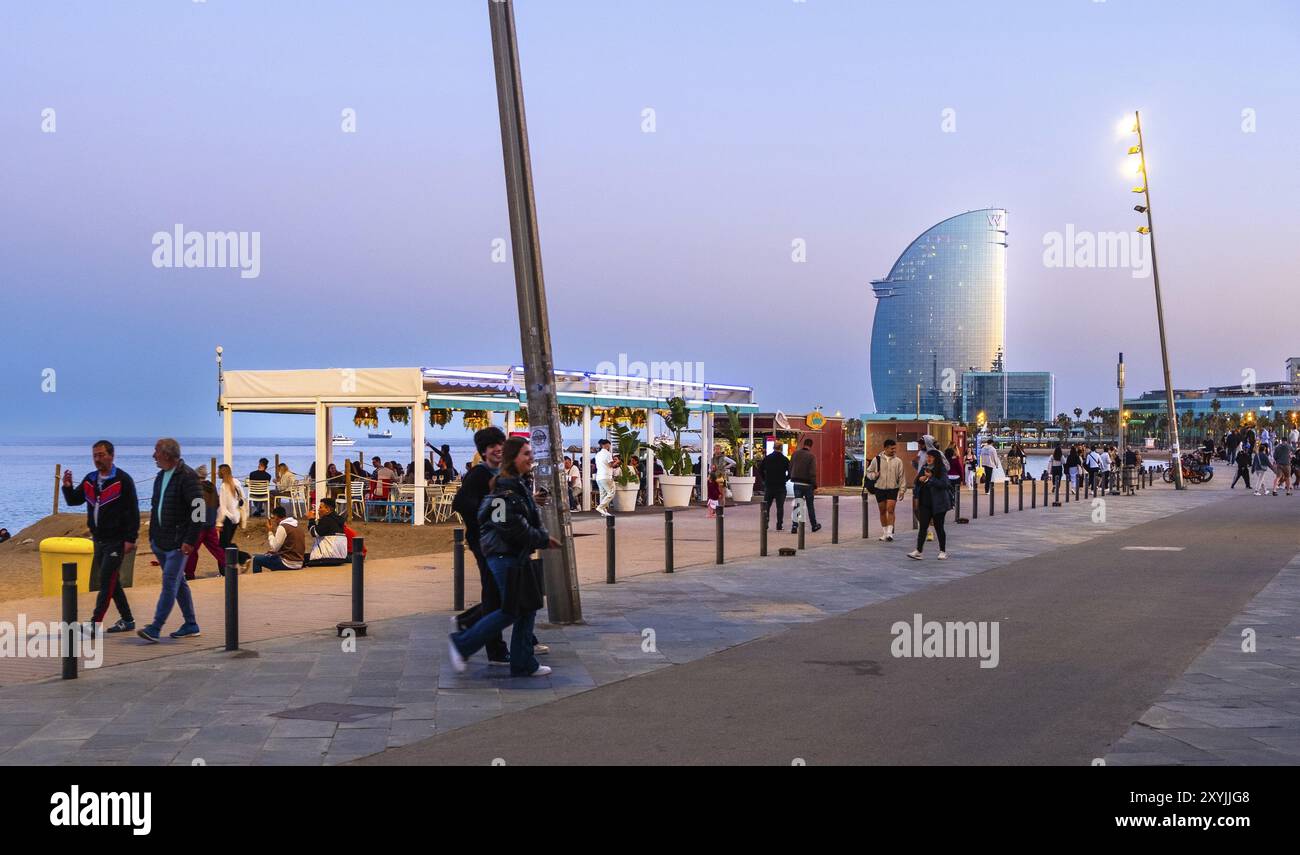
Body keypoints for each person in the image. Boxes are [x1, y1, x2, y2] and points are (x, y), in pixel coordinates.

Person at [448, 437, 561, 677]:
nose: (531, 458)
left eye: (531, 453)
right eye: (526, 454)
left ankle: (522, 662)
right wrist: (540, 538)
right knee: (510, 609)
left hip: (514, 554)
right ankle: (464, 642)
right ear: (514, 459)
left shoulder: (514, 484)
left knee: (526, 606)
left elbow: (515, 517)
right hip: (504, 556)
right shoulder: (504, 487)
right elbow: (506, 523)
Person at [62, 440, 139, 634]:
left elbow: (133, 511)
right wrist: (68, 487)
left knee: (106, 580)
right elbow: (73, 501)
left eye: (101, 455)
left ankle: (94, 624)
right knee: (112, 581)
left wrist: (131, 538)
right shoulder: (90, 479)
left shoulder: (123, 480)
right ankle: (128, 620)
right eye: (95, 455)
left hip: (117, 540)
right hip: (98, 540)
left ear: (112, 455)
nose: (98, 459)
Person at [451, 427, 513, 665]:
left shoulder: (507, 472)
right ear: (483, 452)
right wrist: (486, 513)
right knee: (495, 593)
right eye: (492, 446)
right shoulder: (478, 475)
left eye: (500, 444)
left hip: (504, 544)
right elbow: (463, 504)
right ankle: (494, 649)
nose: (498, 449)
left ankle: (468, 621)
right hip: (485, 545)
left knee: (502, 593)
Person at [137, 438, 202, 643]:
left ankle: (156, 627)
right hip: (160, 542)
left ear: (166, 454)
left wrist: (190, 540)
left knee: (170, 582)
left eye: (156, 451)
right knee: (178, 582)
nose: (153, 455)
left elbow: (198, 511)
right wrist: (152, 537)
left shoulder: (188, 477)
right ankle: (191, 624)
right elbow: (156, 506)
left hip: (178, 544)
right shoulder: (160, 476)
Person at [908, 449, 953, 561]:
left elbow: (944, 484)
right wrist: (920, 480)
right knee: (923, 527)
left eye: (931, 457)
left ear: (936, 459)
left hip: (939, 503)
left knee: (939, 527)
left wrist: (930, 478)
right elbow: (917, 482)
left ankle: (943, 551)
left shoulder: (941, 469)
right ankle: (918, 551)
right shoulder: (924, 468)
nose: (928, 459)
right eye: (927, 457)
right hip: (925, 503)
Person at [184, 465, 226, 580]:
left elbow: (193, 507)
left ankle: (189, 574)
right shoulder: (212, 487)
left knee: (191, 550)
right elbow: (217, 503)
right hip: (210, 523)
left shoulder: (196, 488)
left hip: (199, 525)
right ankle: (228, 568)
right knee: (217, 549)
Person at [866, 439, 906, 542]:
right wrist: (874, 475)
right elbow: (868, 472)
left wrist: (902, 490)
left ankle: (890, 533)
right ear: (885, 448)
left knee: (890, 509)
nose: (894, 450)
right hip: (879, 488)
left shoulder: (898, 461)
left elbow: (902, 477)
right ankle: (884, 532)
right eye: (892, 448)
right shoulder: (876, 459)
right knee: (882, 511)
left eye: (895, 448)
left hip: (893, 488)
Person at [216, 464, 251, 572]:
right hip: (236, 517)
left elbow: (222, 506)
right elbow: (243, 498)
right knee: (226, 543)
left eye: (218, 471)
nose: (217, 473)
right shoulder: (236, 482)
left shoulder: (223, 486)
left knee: (222, 546)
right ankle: (241, 559)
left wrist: (219, 522)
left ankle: (243, 557)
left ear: (222, 472)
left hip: (227, 518)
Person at [252, 506, 305, 572]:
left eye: (274, 518)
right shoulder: (297, 525)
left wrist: (270, 531)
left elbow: (274, 547)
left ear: (277, 516)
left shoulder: (283, 527)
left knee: (256, 559)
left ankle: (257, 581)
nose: (274, 520)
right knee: (272, 557)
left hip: (288, 563)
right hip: (299, 562)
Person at [789, 438, 821, 533]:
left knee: (798, 504)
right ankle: (814, 525)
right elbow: (812, 472)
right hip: (807, 484)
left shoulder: (795, 454)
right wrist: (815, 485)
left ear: (804, 444)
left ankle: (795, 526)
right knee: (810, 505)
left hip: (797, 483)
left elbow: (790, 466)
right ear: (811, 445)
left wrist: (792, 476)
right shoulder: (811, 456)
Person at [305, 498, 348, 564]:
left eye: (320, 507)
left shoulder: (327, 519)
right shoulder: (339, 520)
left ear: (328, 509)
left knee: (302, 559)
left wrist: (311, 519)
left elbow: (314, 533)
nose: (318, 510)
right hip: (340, 558)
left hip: (326, 558)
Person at [761, 444, 789, 531]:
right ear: (781, 449)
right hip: (780, 486)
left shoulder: (767, 458)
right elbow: (791, 471)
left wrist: (764, 479)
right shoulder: (785, 459)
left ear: (773, 448)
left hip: (769, 485)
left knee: (767, 506)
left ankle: (765, 523)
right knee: (780, 507)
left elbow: (760, 469)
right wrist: (785, 479)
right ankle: (779, 525)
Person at [593, 439, 615, 516]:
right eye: (609, 445)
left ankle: (603, 512)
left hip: (599, 476)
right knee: (611, 493)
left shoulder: (597, 454)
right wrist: (617, 462)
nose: (609, 446)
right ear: (605, 445)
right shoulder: (608, 454)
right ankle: (601, 507)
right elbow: (610, 465)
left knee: (603, 494)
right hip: (606, 476)